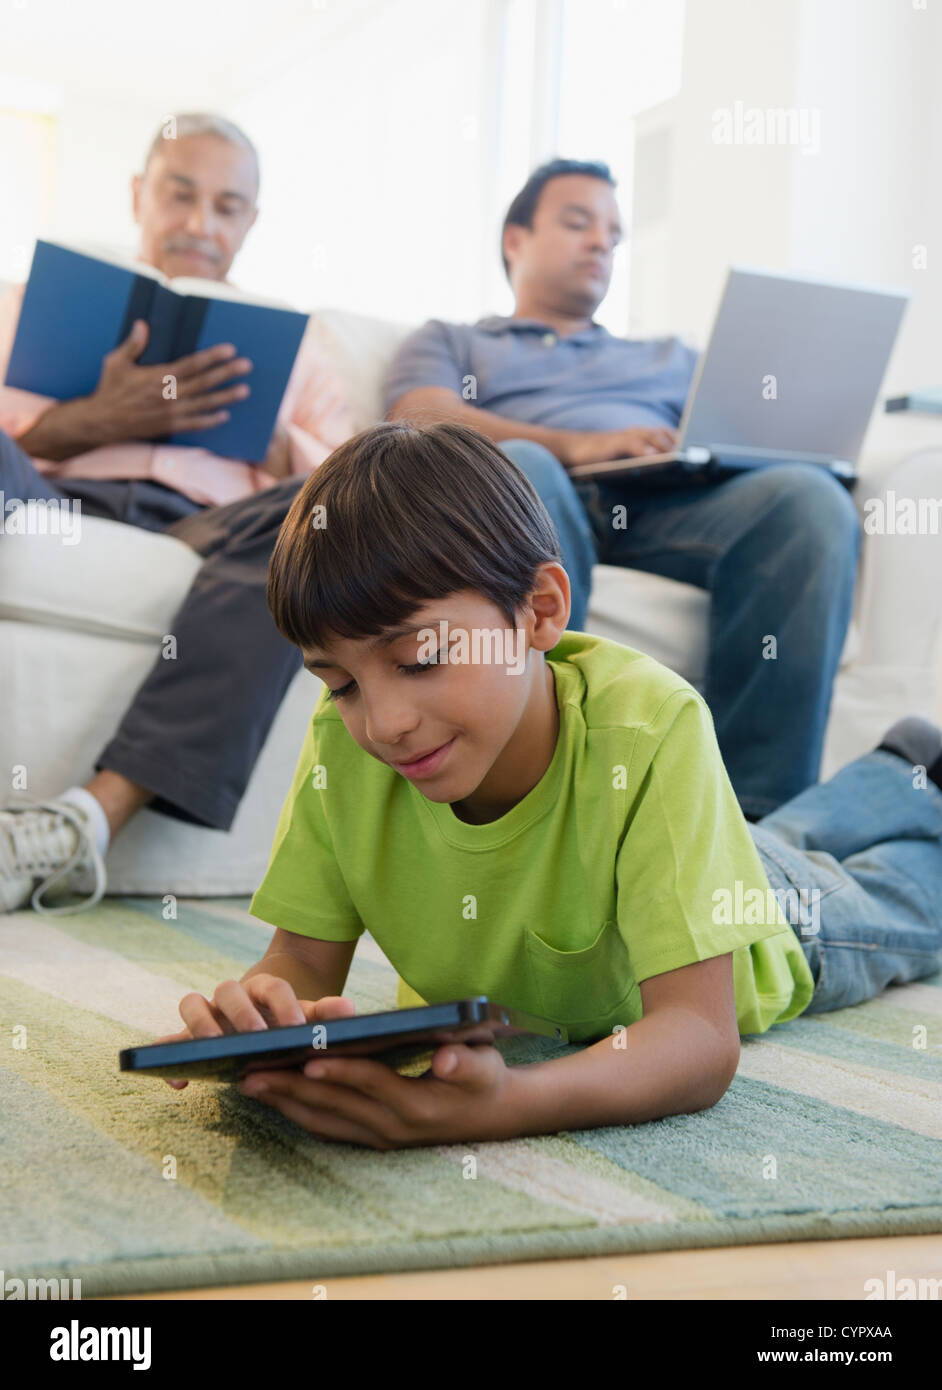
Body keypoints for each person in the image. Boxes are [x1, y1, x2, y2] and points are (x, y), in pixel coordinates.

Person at [156, 422, 942, 1150]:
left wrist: (511, 1104)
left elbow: (700, 1039)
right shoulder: (344, 746)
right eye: (341, 684)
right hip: (694, 860)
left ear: (539, 610)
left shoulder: (654, 726)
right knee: (770, 836)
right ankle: (897, 769)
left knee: (879, 892)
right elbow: (300, 959)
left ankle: (907, 789)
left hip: (775, 922)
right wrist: (262, 1017)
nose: (383, 723)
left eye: (419, 658)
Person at [383, 158, 861, 821]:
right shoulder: (456, 341)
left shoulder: (668, 355)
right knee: (524, 465)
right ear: (514, 239)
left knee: (810, 504)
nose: (600, 242)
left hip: (670, 503)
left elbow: (740, 430)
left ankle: (757, 821)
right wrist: (577, 446)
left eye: (613, 233)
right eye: (578, 222)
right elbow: (418, 419)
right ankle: (548, 784)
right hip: (541, 495)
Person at [0, 112, 353, 916]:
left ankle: (86, 821)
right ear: (139, 194)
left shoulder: (298, 351)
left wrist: (273, 444)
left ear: (251, 221)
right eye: (180, 194)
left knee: (319, 513)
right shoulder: (26, 303)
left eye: (227, 206)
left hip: (209, 529)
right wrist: (95, 417)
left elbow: (360, 485)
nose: (201, 224)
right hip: (53, 498)